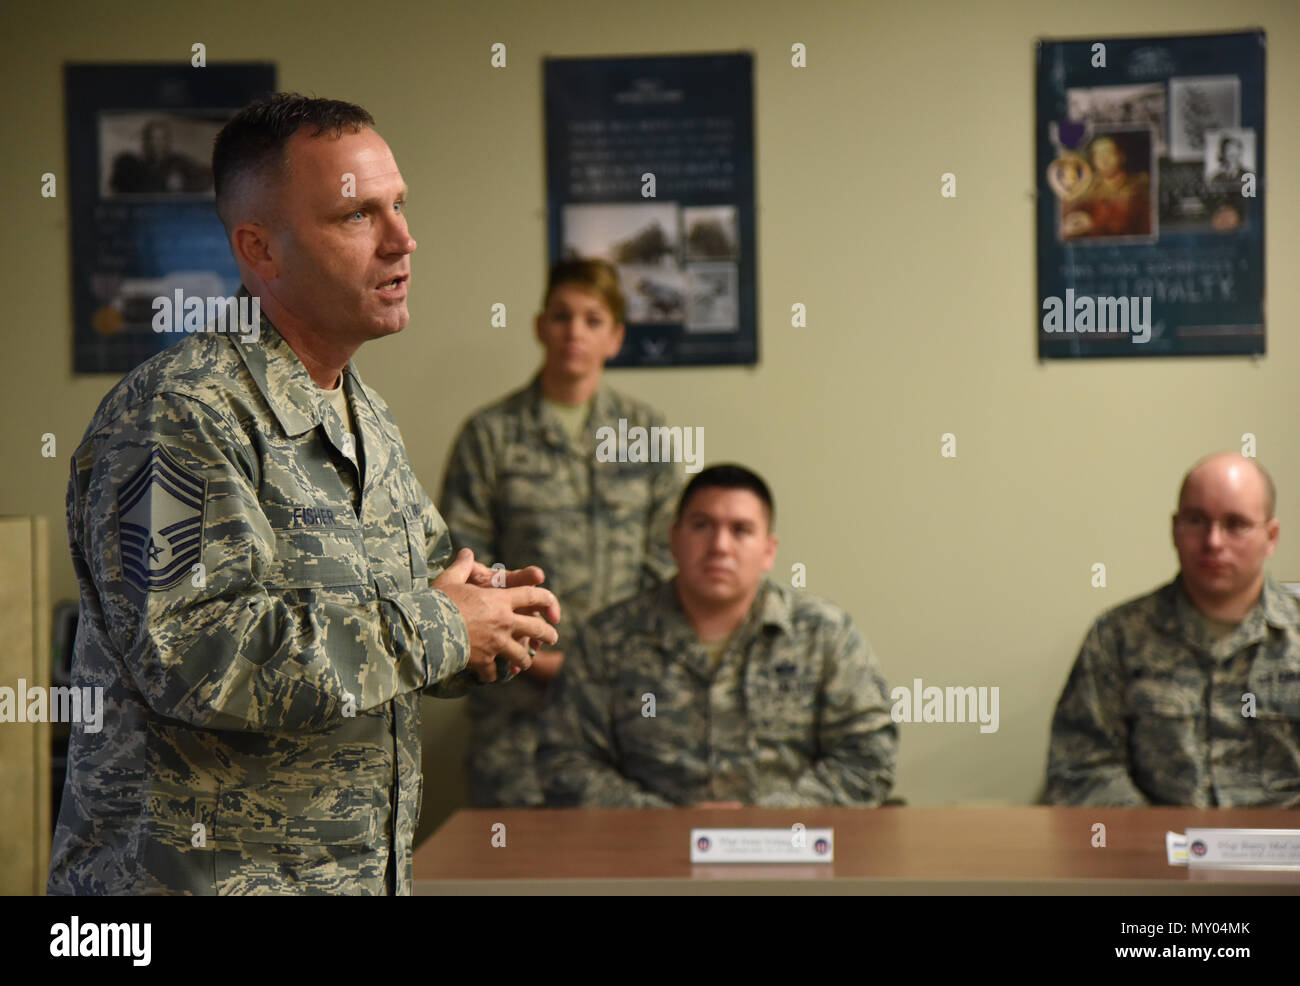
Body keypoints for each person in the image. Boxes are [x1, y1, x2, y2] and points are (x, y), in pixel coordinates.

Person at [48, 93, 559, 896]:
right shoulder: (177, 414)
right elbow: (192, 660)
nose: (403, 239)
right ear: (262, 250)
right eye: (359, 216)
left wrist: (494, 615)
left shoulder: (360, 411)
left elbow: (422, 598)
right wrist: (441, 622)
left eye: (399, 206)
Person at [439, 258, 681, 808]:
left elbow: (668, 563)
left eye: (593, 320)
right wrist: (536, 657)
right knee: (518, 866)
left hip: (626, 699)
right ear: (540, 326)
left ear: (616, 337)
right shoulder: (491, 435)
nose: (575, 331)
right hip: (517, 703)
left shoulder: (646, 434)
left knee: (629, 860)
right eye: (563, 316)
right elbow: (464, 562)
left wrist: (617, 662)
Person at [538, 464, 898, 807]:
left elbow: (868, 756)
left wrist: (764, 820)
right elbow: (566, 762)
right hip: (646, 856)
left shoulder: (824, 635)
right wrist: (664, 823)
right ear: (674, 539)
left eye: (741, 530)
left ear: (769, 551)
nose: (720, 546)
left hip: (790, 851)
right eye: (702, 526)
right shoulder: (608, 638)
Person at [1045, 452, 1300, 807]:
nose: (1213, 541)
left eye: (1235, 524)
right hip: (1151, 854)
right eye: (1197, 520)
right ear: (1175, 529)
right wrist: (1155, 840)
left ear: (1271, 537)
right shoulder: (1119, 637)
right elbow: (1081, 770)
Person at [1062, 135, 1151, 238]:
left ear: (1121, 156)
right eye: (1098, 155)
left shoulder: (1139, 187)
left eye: (1108, 153)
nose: (1104, 159)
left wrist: (1093, 224)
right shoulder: (1087, 188)